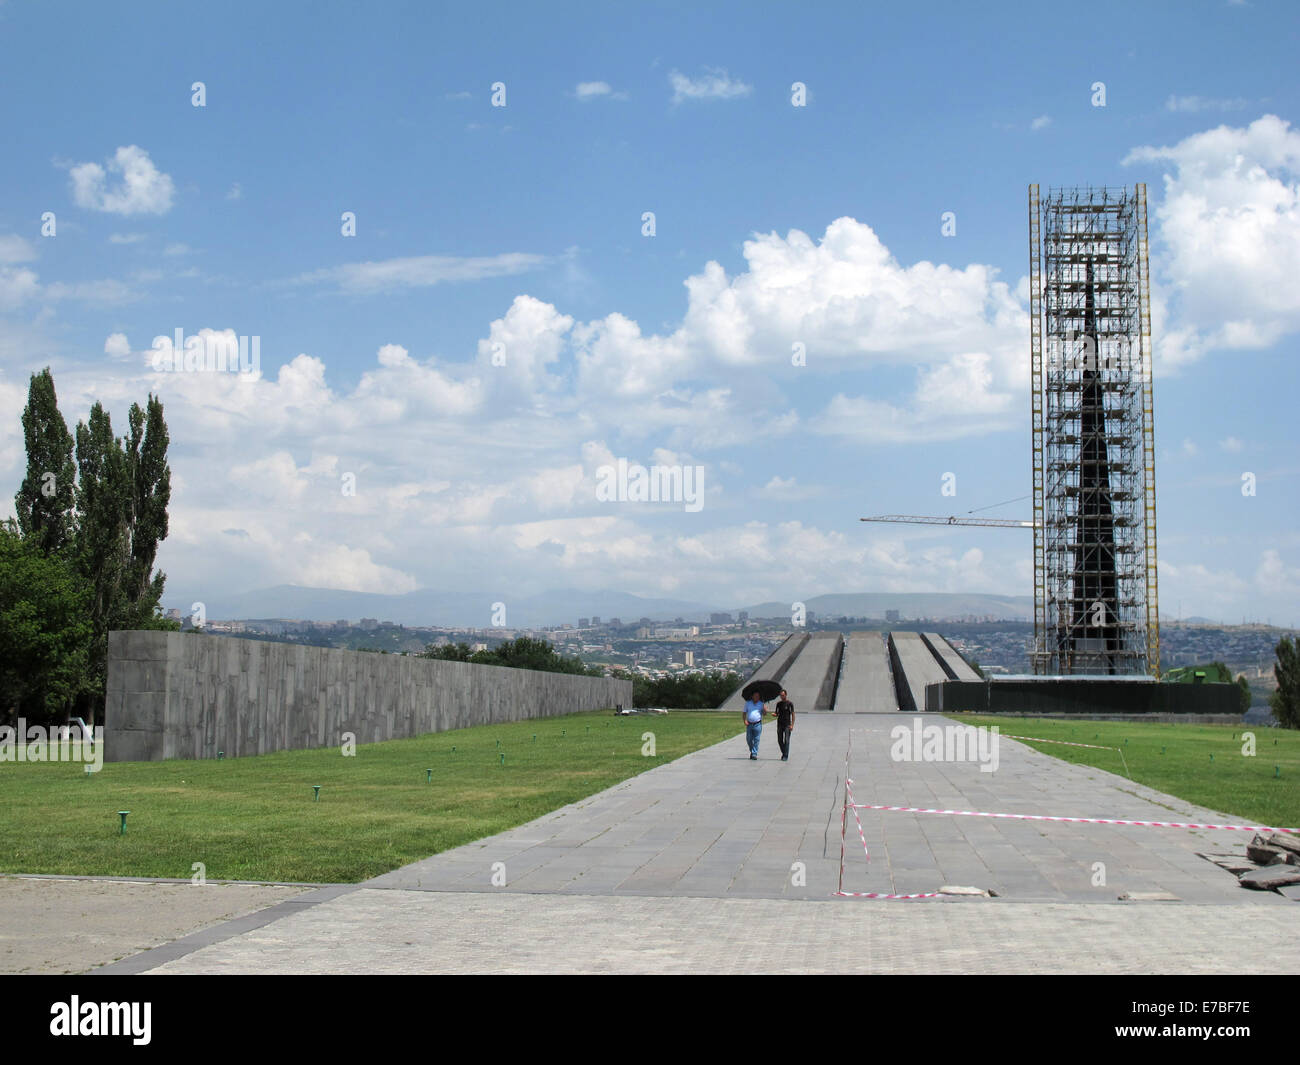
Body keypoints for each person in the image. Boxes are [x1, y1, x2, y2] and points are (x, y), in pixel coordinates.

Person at [741, 694, 766, 760]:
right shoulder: (748, 703)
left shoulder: (761, 704)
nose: (757, 697)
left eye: (758, 696)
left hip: (757, 724)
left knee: (756, 739)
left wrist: (764, 709)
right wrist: (745, 720)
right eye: (755, 696)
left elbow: (765, 714)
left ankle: (754, 754)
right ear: (752, 696)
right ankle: (752, 750)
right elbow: (744, 713)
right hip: (749, 724)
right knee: (748, 739)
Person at [774, 689, 795, 761]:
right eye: (781, 695)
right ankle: (784, 753)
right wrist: (774, 715)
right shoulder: (778, 704)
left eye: (783, 695)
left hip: (787, 724)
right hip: (780, 724)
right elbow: (777, 713)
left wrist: (792, 725)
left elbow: (793, 714)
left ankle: (785, 756)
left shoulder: (790, 704)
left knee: (786, 740)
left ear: (786, 695)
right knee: (780, 740)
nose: (782, 696)